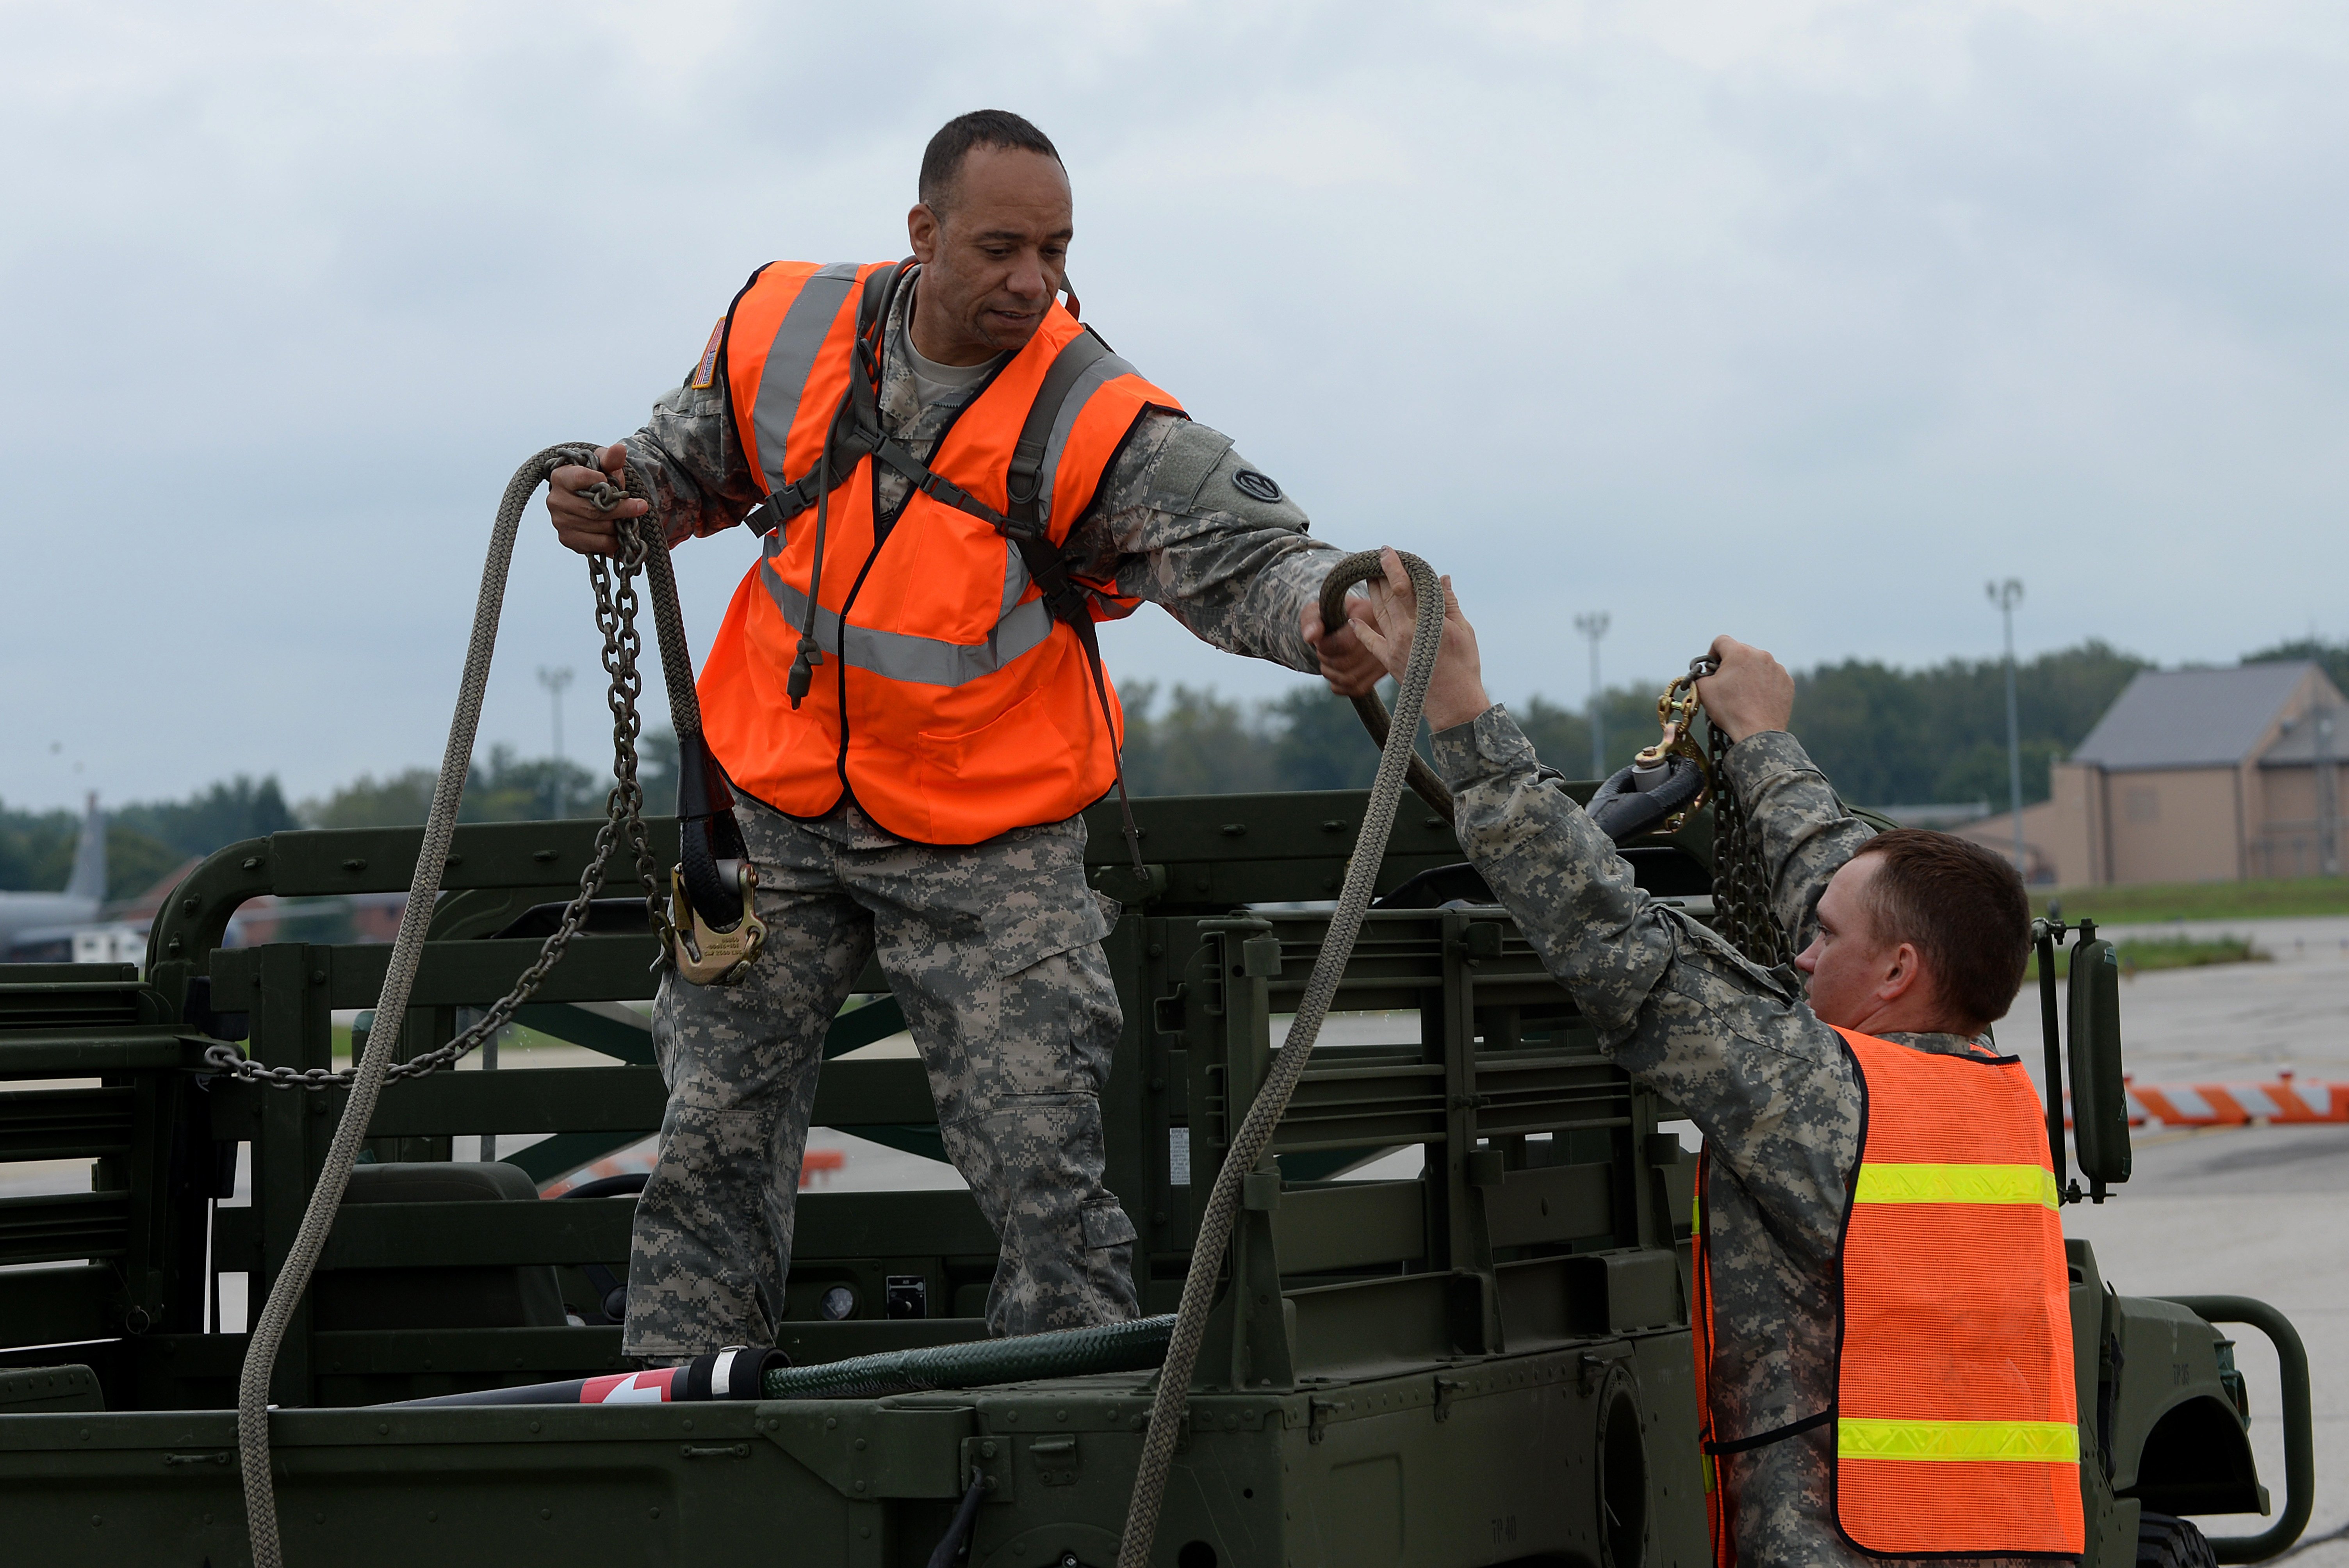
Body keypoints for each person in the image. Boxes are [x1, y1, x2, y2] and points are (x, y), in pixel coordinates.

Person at [542, 110, 1381, 1364]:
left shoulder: (1093, 410)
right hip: (773, 801)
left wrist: (1328, 615)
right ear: (923, 233)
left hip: (989, 835)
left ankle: (1078, 1448)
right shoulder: (786, 330)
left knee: (1044, 1169)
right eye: (1000, 249)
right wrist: (616, 500)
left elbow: (1245, 555)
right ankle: (682, 1434)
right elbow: (688, 463)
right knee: (710, 1144)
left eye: (1054, 249)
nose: (1033, 281)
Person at [1350, 552, 2081, 1566]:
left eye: (1823, 938)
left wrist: (1457, 702)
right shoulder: (1984, 1093)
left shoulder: (1820, 1094)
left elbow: (1609, 929)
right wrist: (1760, 740)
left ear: (1899, 972)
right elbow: (1848, 884)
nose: (1798, 949)